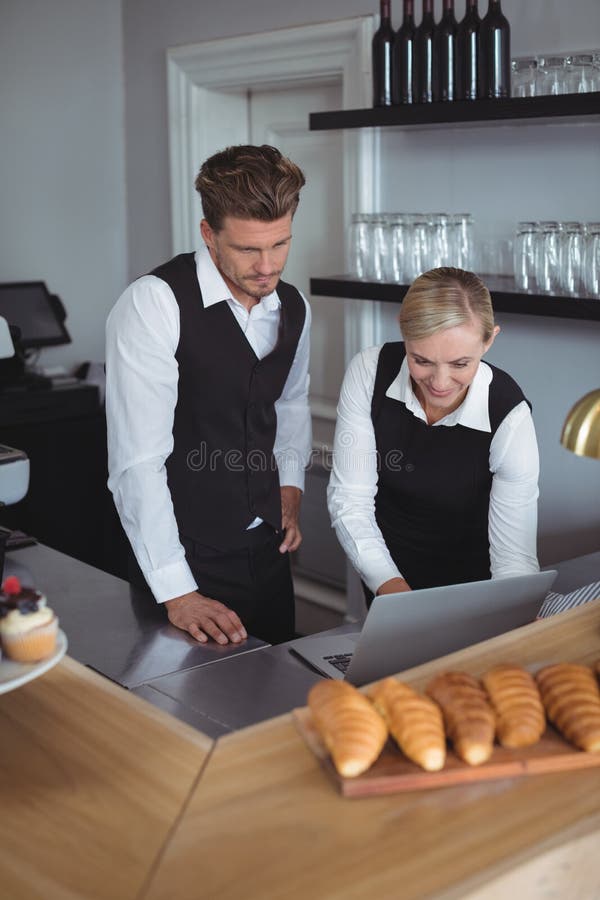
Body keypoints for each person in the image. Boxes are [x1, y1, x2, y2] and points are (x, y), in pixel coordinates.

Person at [106, 144, 311, 646]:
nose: (267, 266)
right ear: (208, 234)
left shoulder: (293, 306)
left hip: (269, 553)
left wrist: (289, 484)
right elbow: (137, 463)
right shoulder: (154, 304)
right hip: (184, 559)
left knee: (279, 683)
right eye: (247, 249)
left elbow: (290, 402)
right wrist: (177, 592)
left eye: (280, 244)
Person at [327, 267, 539, 602]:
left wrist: (514, 607)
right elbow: (350, 501)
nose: (440, 383)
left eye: (460, 364)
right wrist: (397, 595)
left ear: (488, 341)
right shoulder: (369, 372)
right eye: (421, 360)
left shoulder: (509, 415)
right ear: (403, 329)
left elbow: (513, 557)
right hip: (387, 578)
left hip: (476, 592)